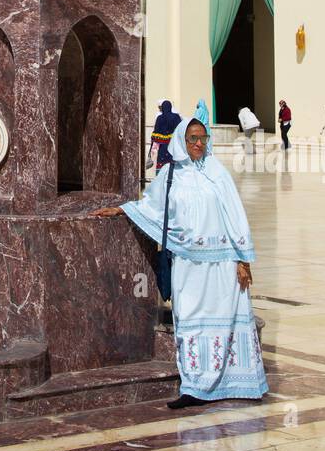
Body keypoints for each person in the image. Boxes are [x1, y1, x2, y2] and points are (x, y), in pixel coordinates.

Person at [93, 101, 267, 408]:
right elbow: (151, 207)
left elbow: (236, 215)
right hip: (188, 264)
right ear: (181, 142)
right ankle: (194, 388)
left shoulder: (218, 173)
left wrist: (243, 259)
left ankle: (235, 384)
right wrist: (122, 209)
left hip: (223, 264)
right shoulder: (170, 176)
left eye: (203, 138)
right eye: (192, 139)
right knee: (189, 321)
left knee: (225, 323)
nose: (199, 144)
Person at [150, 99, 182, 173]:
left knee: (162, 162)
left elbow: (155, 133)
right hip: (173, 145)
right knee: (172, 160)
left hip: (163, 146)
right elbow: (180, 129)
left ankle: (160, 177)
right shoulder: (176, 117)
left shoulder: (159, 118)